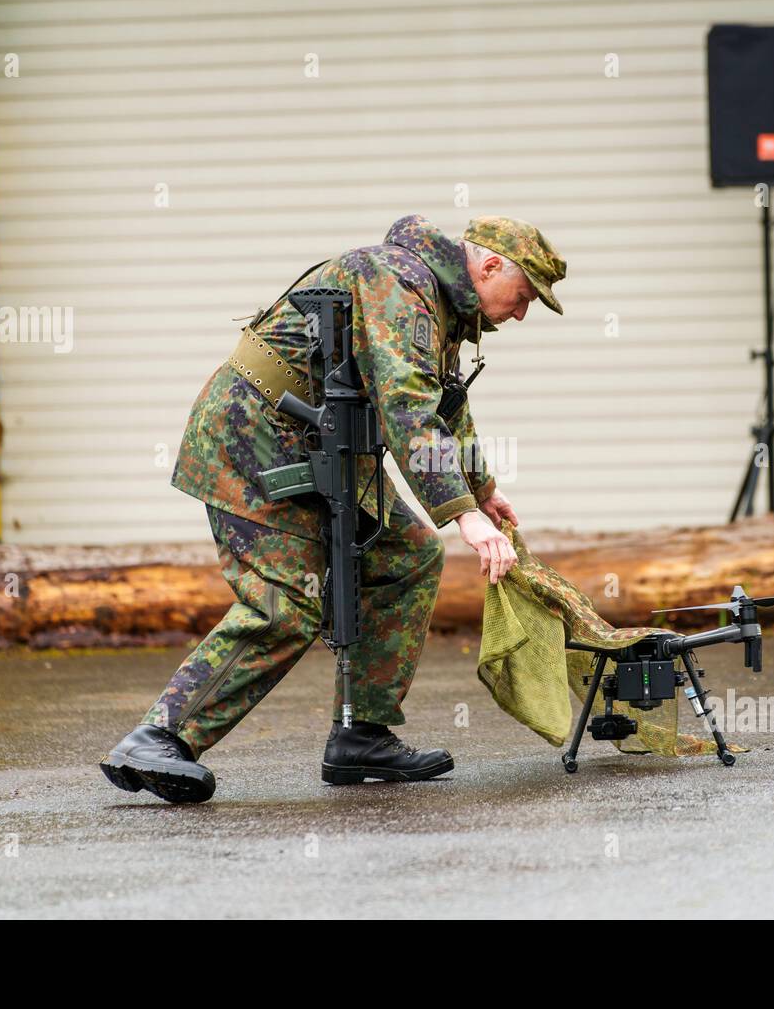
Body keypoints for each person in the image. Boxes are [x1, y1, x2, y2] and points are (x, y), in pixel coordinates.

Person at [100, 214, 566, 802]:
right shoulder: (398, 281)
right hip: (256, 435)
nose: (521, 313)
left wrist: (480, 490)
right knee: (288, 603)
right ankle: (160, 737)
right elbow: (405, 408)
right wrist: (462, 516)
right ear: (491, 266)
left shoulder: (444, 305)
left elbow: (443, 404)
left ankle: (361, 735)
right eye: (523, 297)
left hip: (325, 441)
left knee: (409, 555)